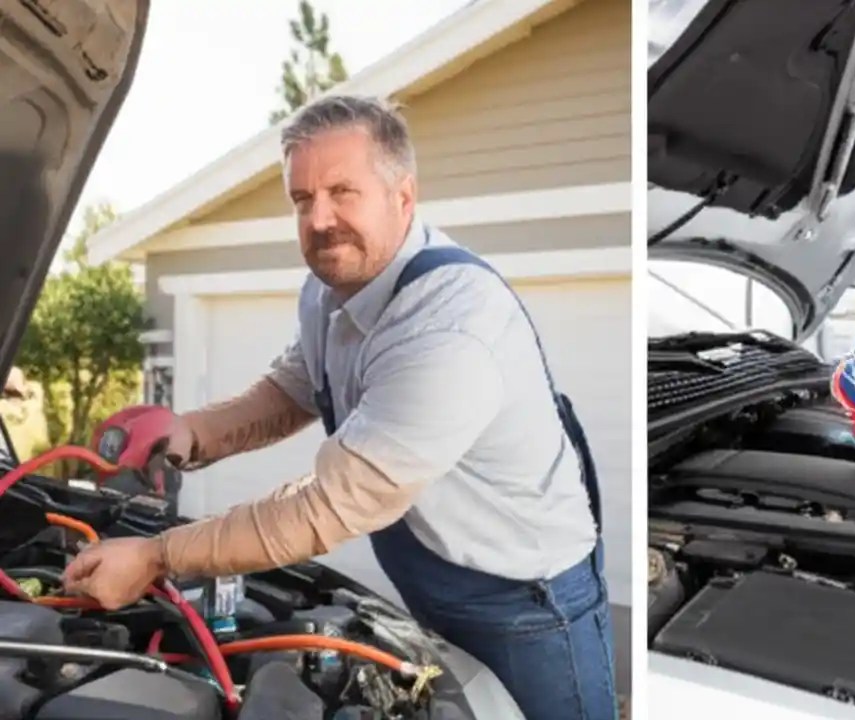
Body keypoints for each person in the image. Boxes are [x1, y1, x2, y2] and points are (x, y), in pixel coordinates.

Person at [63, 95, 617, 720]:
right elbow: (293, 387)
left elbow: (327, 507)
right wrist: (190, 433)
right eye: (302, 200)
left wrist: (157, 556)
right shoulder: (330, 290)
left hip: (529, 605)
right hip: (433, 579)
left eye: (342, 192)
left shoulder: (452, 327)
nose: (320, 219)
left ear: (402, 197)